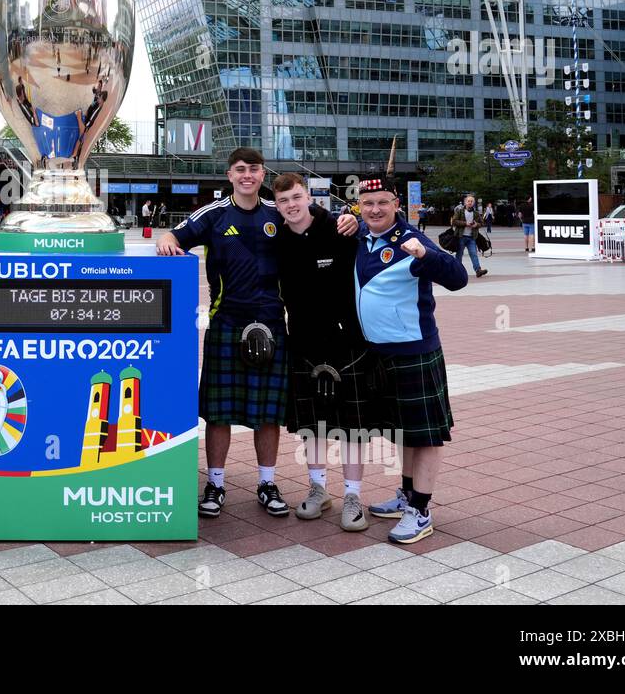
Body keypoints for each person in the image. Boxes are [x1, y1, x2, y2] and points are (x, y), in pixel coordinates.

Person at [157, 148, 356, 519]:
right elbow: (174, 234)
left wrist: (350, 222)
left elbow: (316, 221)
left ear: (262, 174)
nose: (247, 175)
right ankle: (215, 484)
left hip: (272, 324)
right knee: (219, 413)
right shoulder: (213, 215)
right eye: (239, 169)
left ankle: (267, 482)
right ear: (230, 175)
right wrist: (166, 240)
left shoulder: (275, 213)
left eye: (253, 169)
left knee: (268, 412)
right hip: (226, 323)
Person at [354, 177, 468, 544]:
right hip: (377, 351)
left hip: (414, 350)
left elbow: (458, 279)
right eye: (367, 203)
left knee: (427, 433)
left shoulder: (410, 240)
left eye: (382, 203)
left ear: (396, 203)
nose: (374, 210)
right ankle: (406, 495)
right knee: (403, 430)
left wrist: (425, 254)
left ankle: (421, 510)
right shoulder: (360, 235)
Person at [272, 173, 372, 531]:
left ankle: (353, 495)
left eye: (296, 197)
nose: (291, 205)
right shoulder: (279, 238)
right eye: (283, 201)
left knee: (351, 425)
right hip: (302, 340)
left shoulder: (339, 228)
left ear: (308, 196)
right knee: (312, 426)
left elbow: (377, 232)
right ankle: (318, 489)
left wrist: (356, 220)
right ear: (278, 205)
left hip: (347, 341)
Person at [451, 193, 488, 278]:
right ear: (465, 202)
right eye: (468, 201)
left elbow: (482, 223)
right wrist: (465, 223)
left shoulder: (476, 213)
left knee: (473, 253)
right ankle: (457, 271)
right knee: (459, 254)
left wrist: (476, 225)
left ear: (473, 203)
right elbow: (454, 221)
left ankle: (478, 270)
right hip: (461, 236)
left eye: (471, 201)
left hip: (471, 237)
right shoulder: (460, 211)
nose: (470, 202)